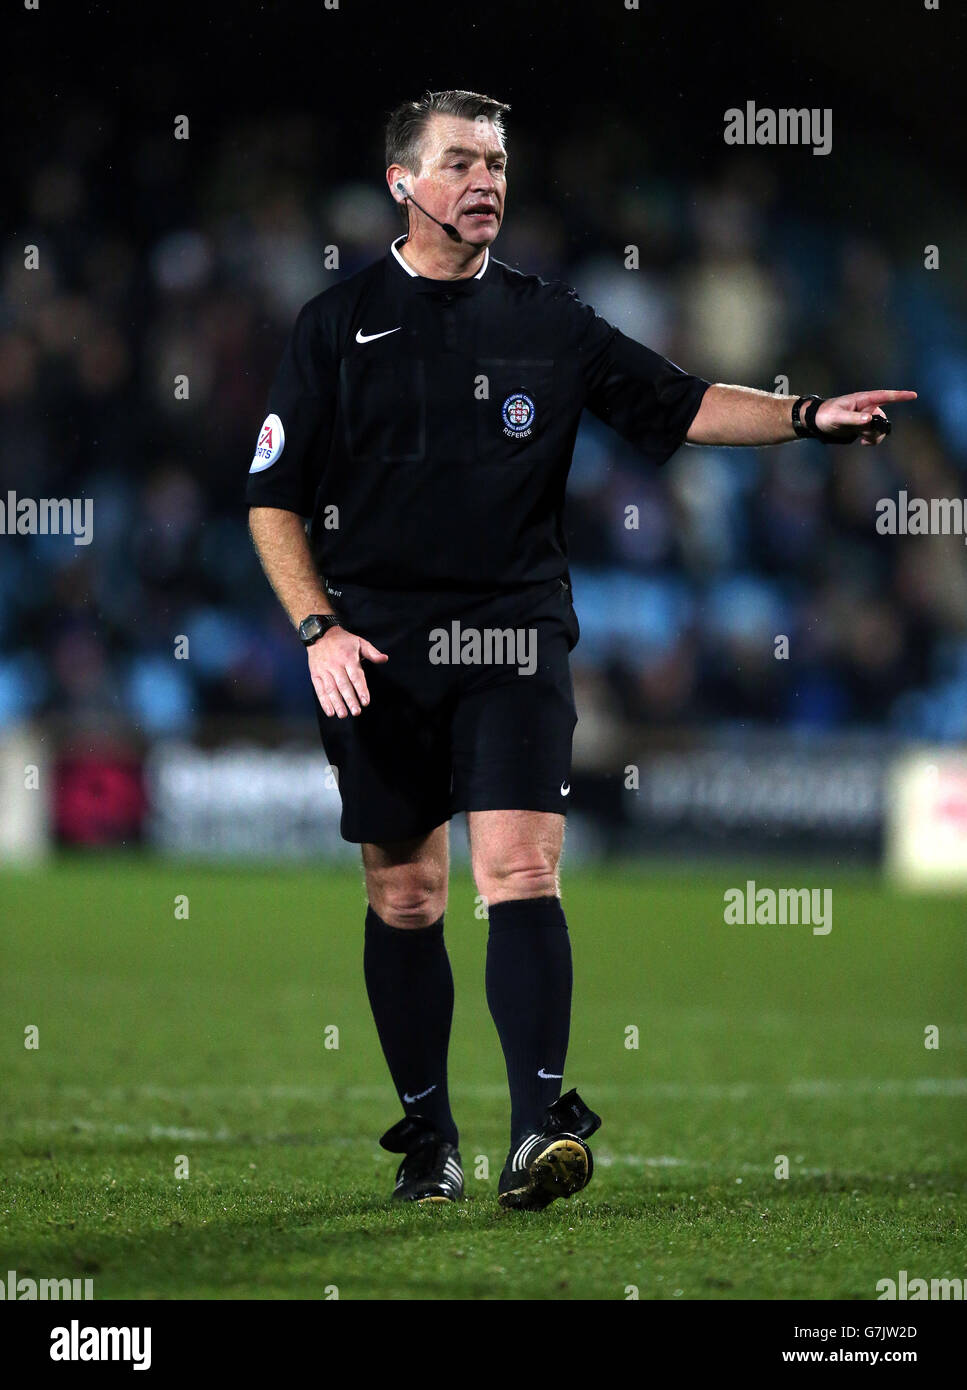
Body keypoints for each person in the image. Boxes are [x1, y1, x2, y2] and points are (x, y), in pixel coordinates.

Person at [246, 89, 915, 1210]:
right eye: (460, 160)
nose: (487, 180)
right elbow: (270, 502)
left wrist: (805, 418)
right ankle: (428, 1137)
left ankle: (535, 1128)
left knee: (521, 869)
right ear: (402, 185)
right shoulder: (335, 322)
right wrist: (318, 627)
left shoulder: (549, 321)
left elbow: (684, 401)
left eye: (498, 160)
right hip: (377, 644)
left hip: (514, 632)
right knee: (406, 894)